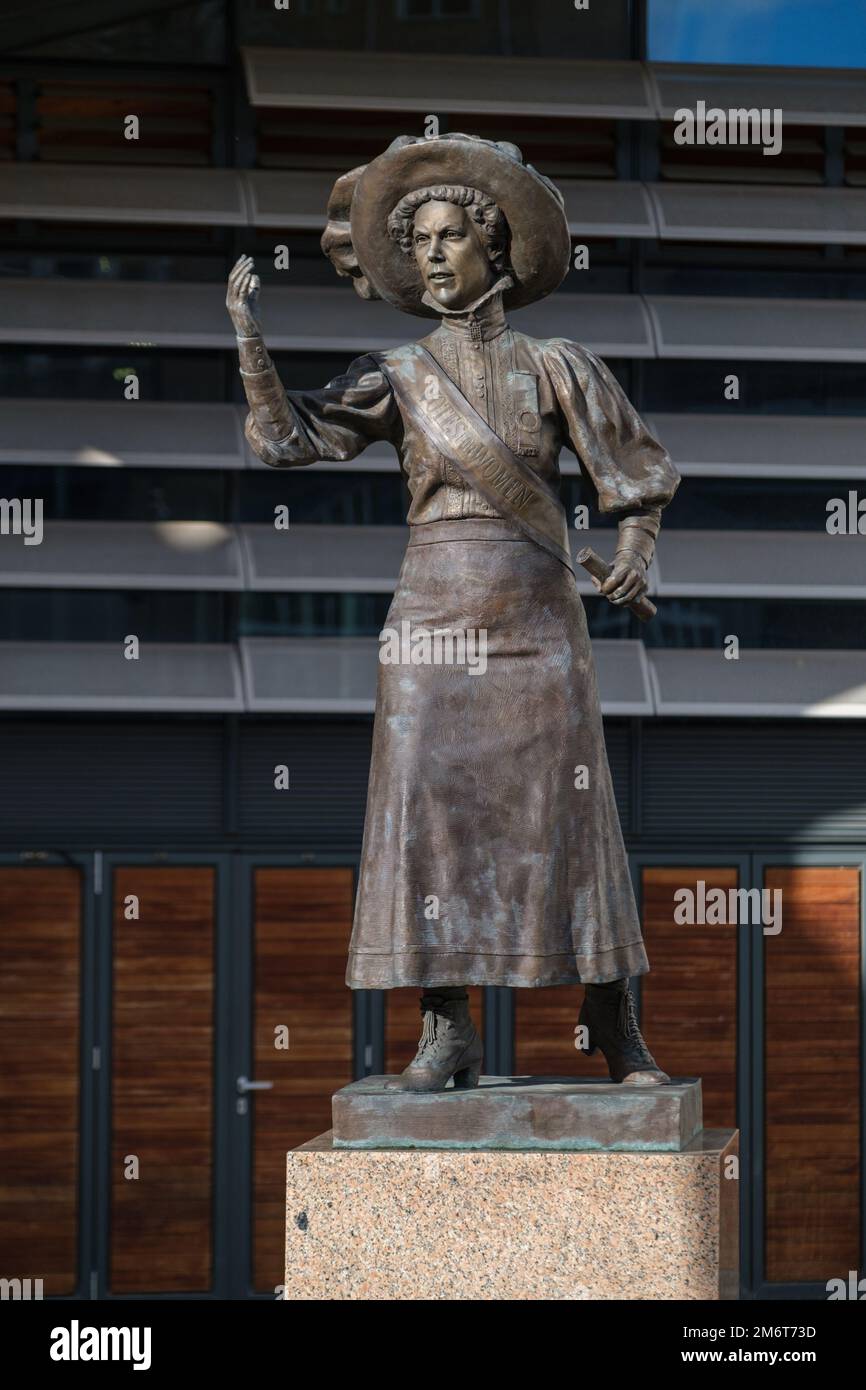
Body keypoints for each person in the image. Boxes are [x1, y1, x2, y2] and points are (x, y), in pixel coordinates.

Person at [226, 133, 680, 1093]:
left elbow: (636, 483)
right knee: (426, 811)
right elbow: (289, 444)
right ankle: (447, 1026)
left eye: (450, 236)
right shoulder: (393, 374)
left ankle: (612, 1014)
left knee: (570, 815)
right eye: (420, 238)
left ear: (495, 250)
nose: (433, 253)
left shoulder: (557, 365)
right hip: (433, 614)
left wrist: (633, 561)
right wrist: (252, 351)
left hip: (538, 615)